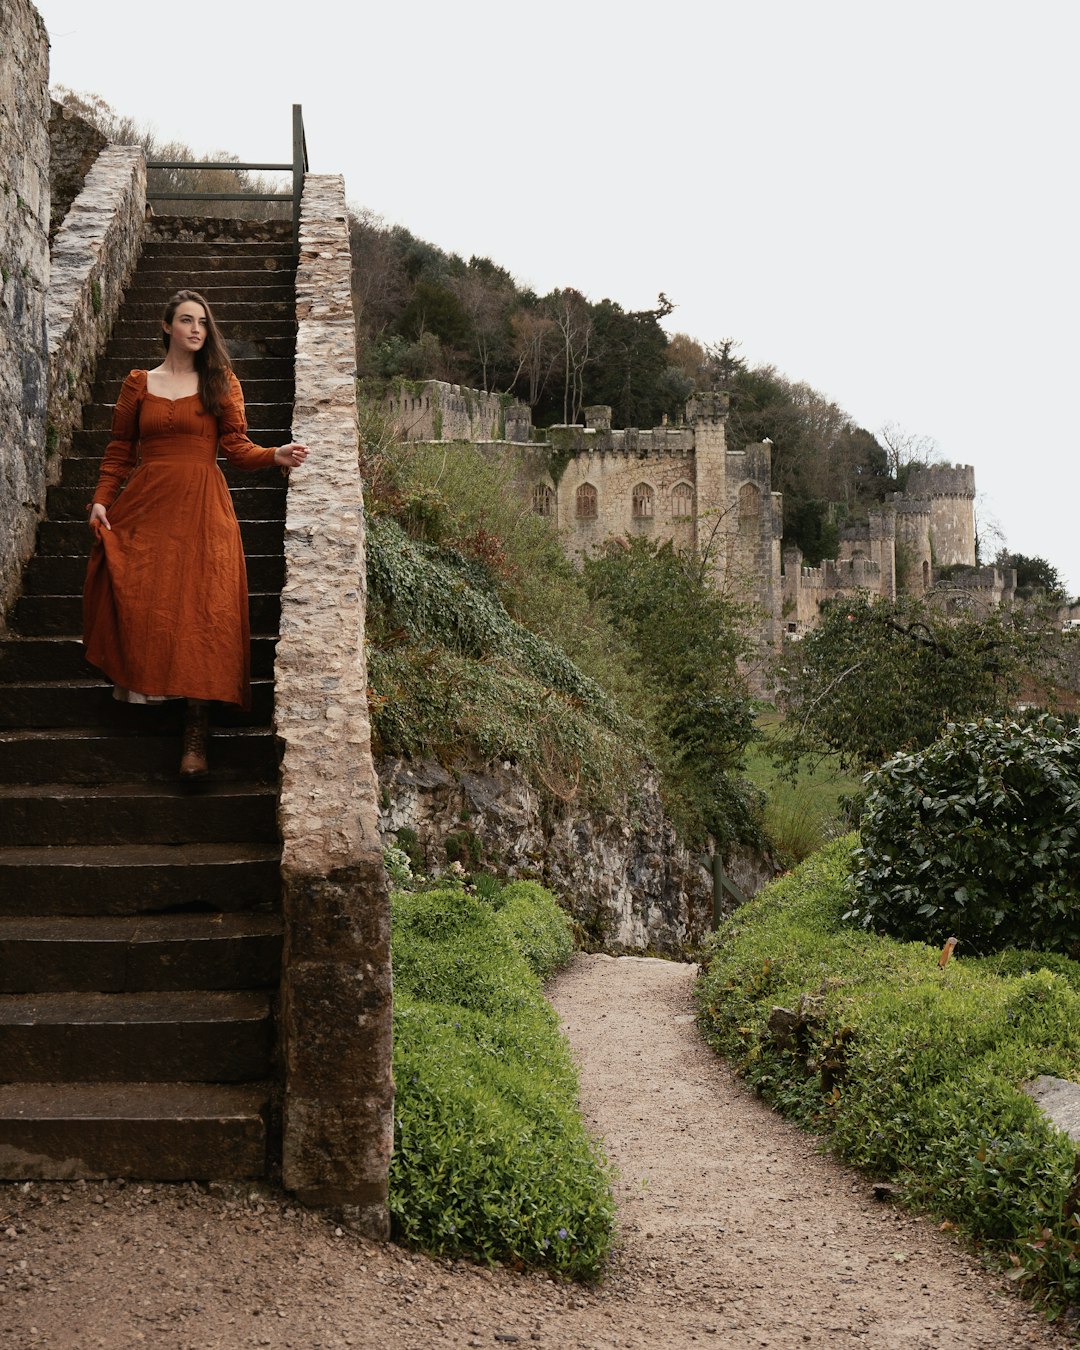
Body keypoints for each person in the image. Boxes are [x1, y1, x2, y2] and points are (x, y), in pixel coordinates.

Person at [82, 288, 308, 778]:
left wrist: (274, 456)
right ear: (167, 326)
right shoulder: (138, 383)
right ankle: (150, 687)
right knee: (151, 598)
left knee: (206, 610)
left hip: (204, 506)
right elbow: (120, 448)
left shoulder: (220, 381)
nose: (196, 329)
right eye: (186, 320)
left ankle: (196, 730)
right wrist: (102, 498)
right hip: (148, 503)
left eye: (202, 322)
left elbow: (235, 447)